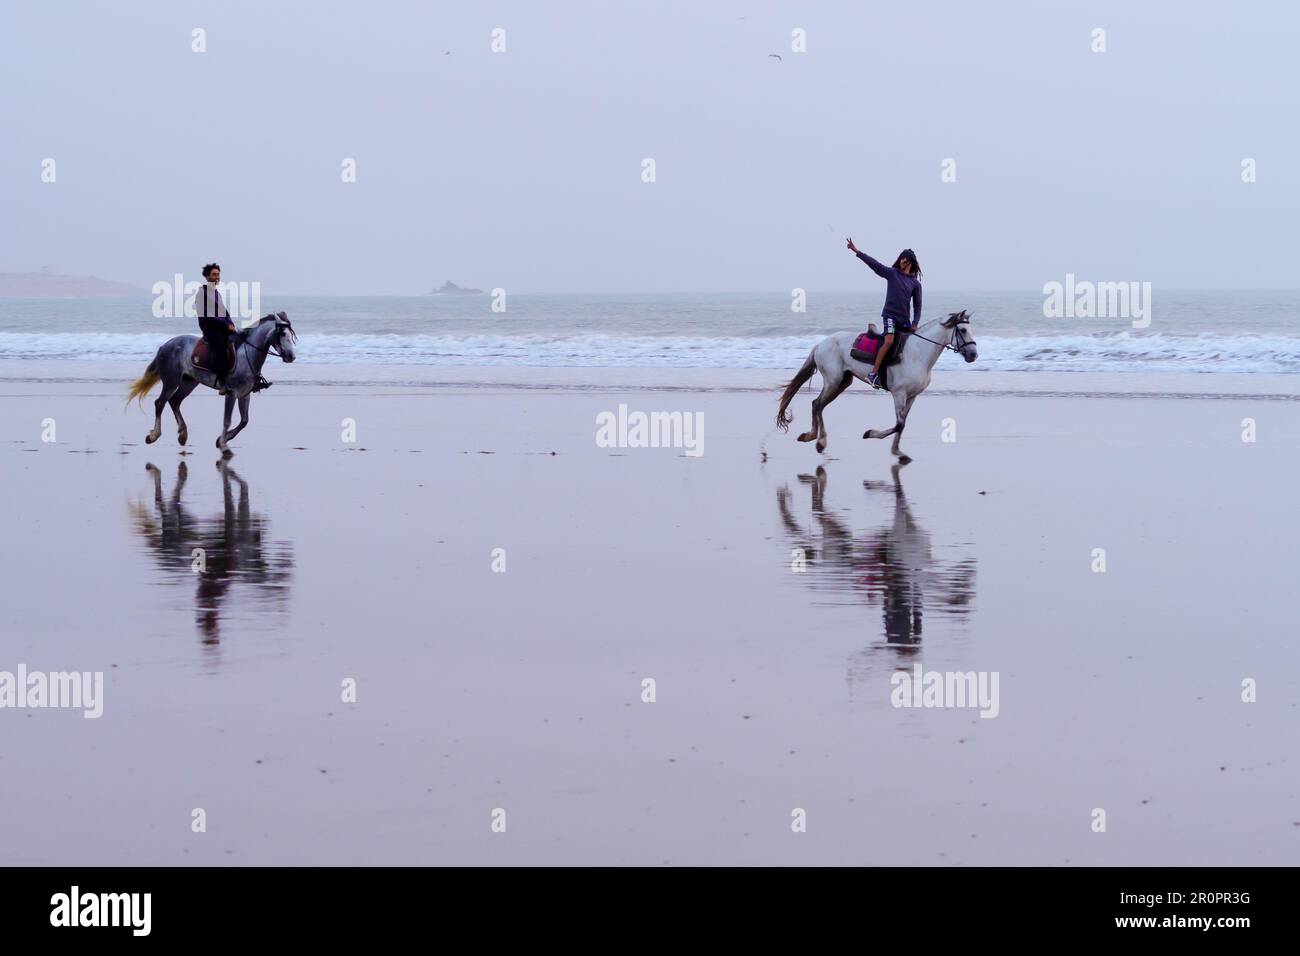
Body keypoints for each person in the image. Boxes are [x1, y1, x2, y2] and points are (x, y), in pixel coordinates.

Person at [845, 239, 922, 388]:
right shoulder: (892, 273)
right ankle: (873, 374)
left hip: (904, 321)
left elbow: (917, 306)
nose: (902, 261)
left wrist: (915, 323)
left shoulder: (915, 284)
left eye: (905, 259)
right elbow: (875, 265)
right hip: (890, 316)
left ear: (911, 262)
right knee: (889, 341)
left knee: (912, 345)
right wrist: (857, 251)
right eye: (901, 258)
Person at [196, 263, 237, 392]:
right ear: (207, 276)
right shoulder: (202, 292)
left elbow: (224, 311)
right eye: (214, 274)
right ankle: (222, 381)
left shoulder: (216, 293)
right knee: (220, 348)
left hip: (221, 326)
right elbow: (207, 316)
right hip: (210, 327)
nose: (217, 277)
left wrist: (231, 323)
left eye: (218, 274)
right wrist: (225, 325)